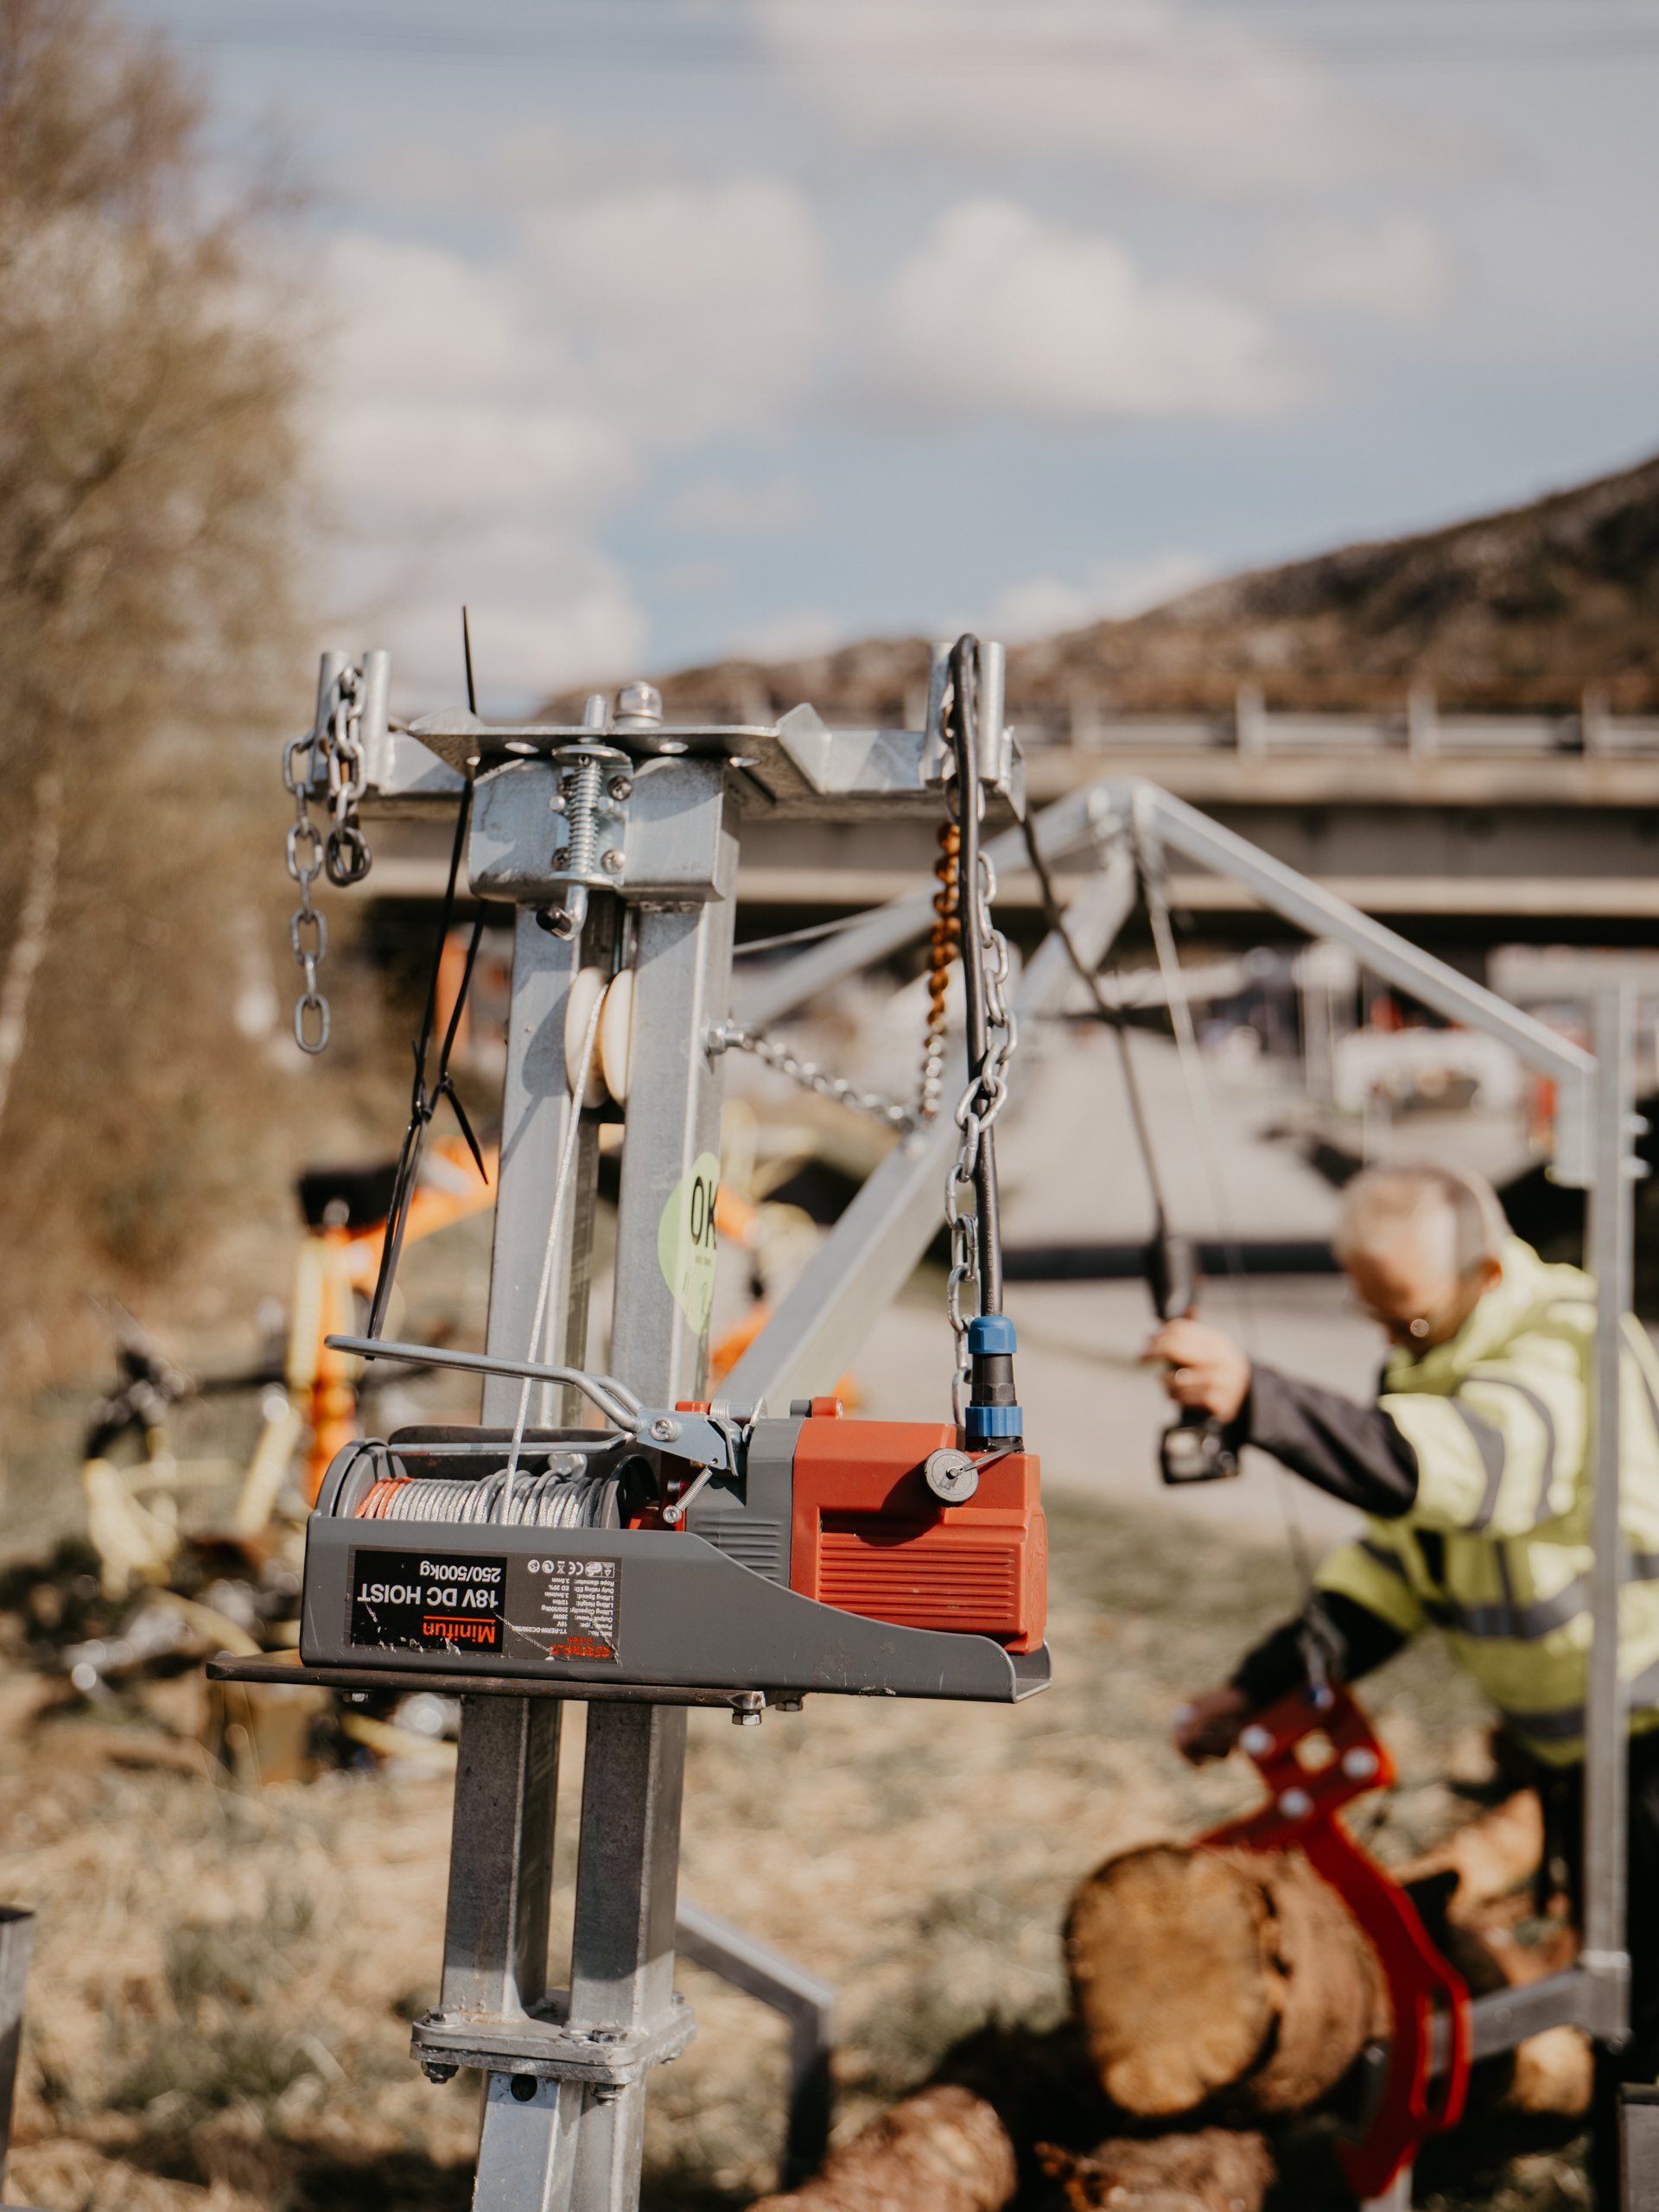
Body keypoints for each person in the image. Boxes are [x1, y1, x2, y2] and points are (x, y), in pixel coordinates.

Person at [1145, 1164, 1659, 2203]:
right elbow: (1396, 1568)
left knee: (1647, 2024)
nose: (1393, 1344)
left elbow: (1456, 1472)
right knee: (1624, 2024)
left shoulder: (1567, 1341)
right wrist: (1257, 1687)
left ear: (1484, 1267)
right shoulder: (1438, 1359)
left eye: (1409, 1319)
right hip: (1584, 1756)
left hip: (1651, 1737)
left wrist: (1258, 1399)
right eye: (1375, 1319)